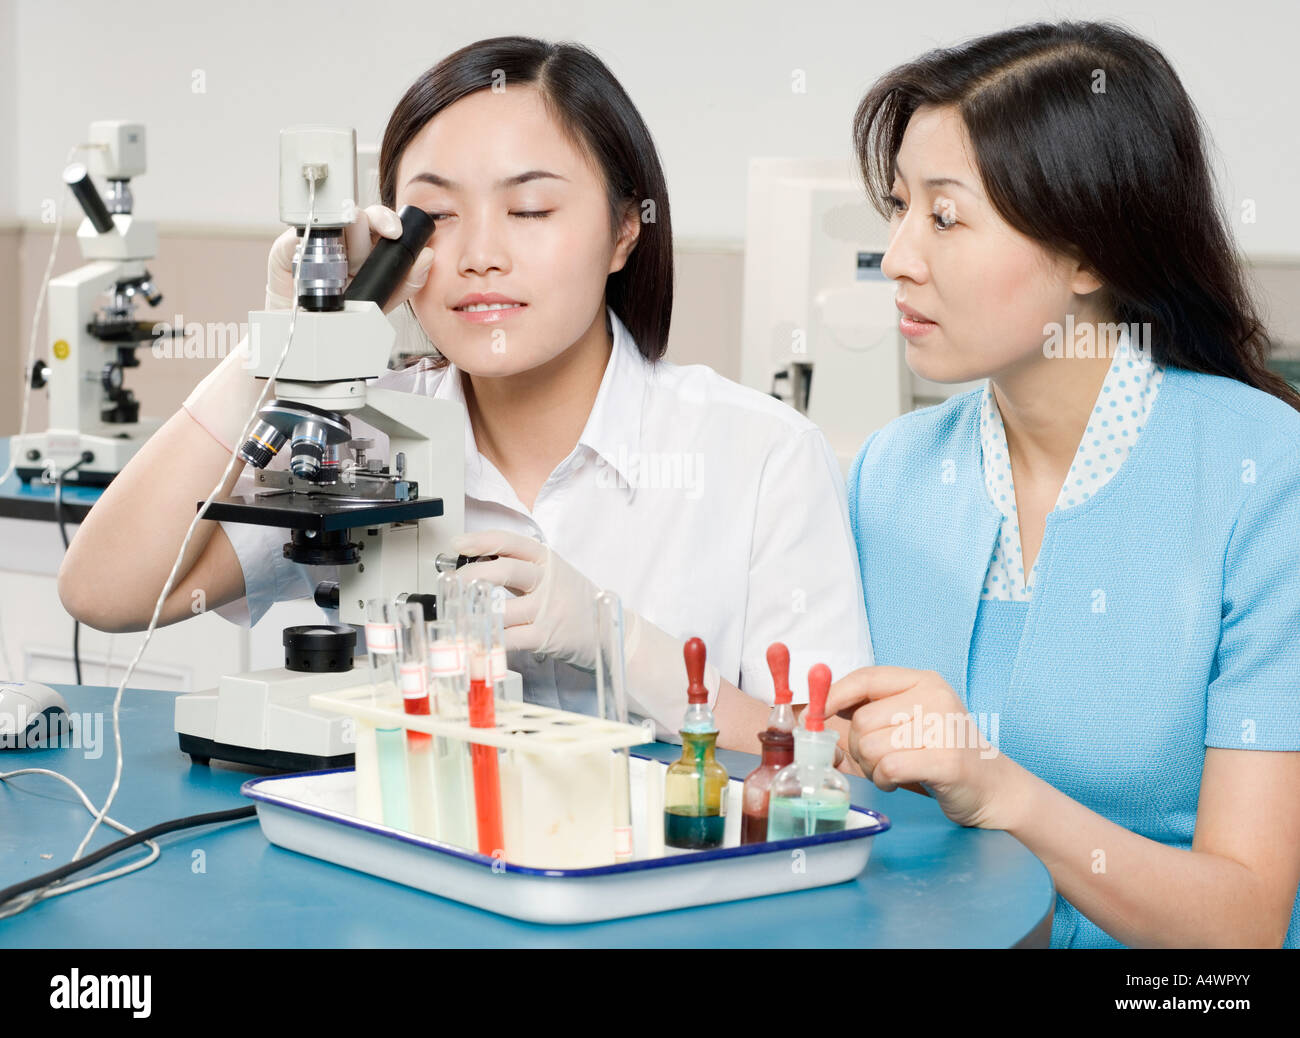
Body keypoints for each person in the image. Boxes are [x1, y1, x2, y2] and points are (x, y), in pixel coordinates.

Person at [58, 36, 870, 753]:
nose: (481, 253)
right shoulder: (363, 433)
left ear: (626, 229)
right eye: (436, 216)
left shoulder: (758, 454)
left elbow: (825, 753)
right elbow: (107, 592)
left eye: (529, 207)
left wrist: (622, 646)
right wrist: (281, 343)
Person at [826, 20, 1300, 947]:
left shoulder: (1263, 474)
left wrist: (999, 790)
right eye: (898, 208)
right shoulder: (893, 472)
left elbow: (1243, 925)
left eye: (946, 216)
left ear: (1088, 254)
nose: (899, 256)